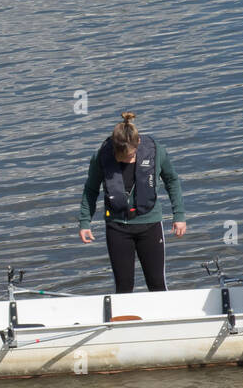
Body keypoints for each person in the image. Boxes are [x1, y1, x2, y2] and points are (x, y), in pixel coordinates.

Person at [78, 111, 186, 292]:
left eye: (129, 156)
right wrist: (84, 221)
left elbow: (172, 180)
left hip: (150, 224)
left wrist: (179, 214)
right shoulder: (101, 157)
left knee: (157, 284)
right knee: (123, 286)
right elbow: (91, 189)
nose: (125, 160)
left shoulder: (156, 151)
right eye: (120, 157)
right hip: (117, 226)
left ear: (138, 145)